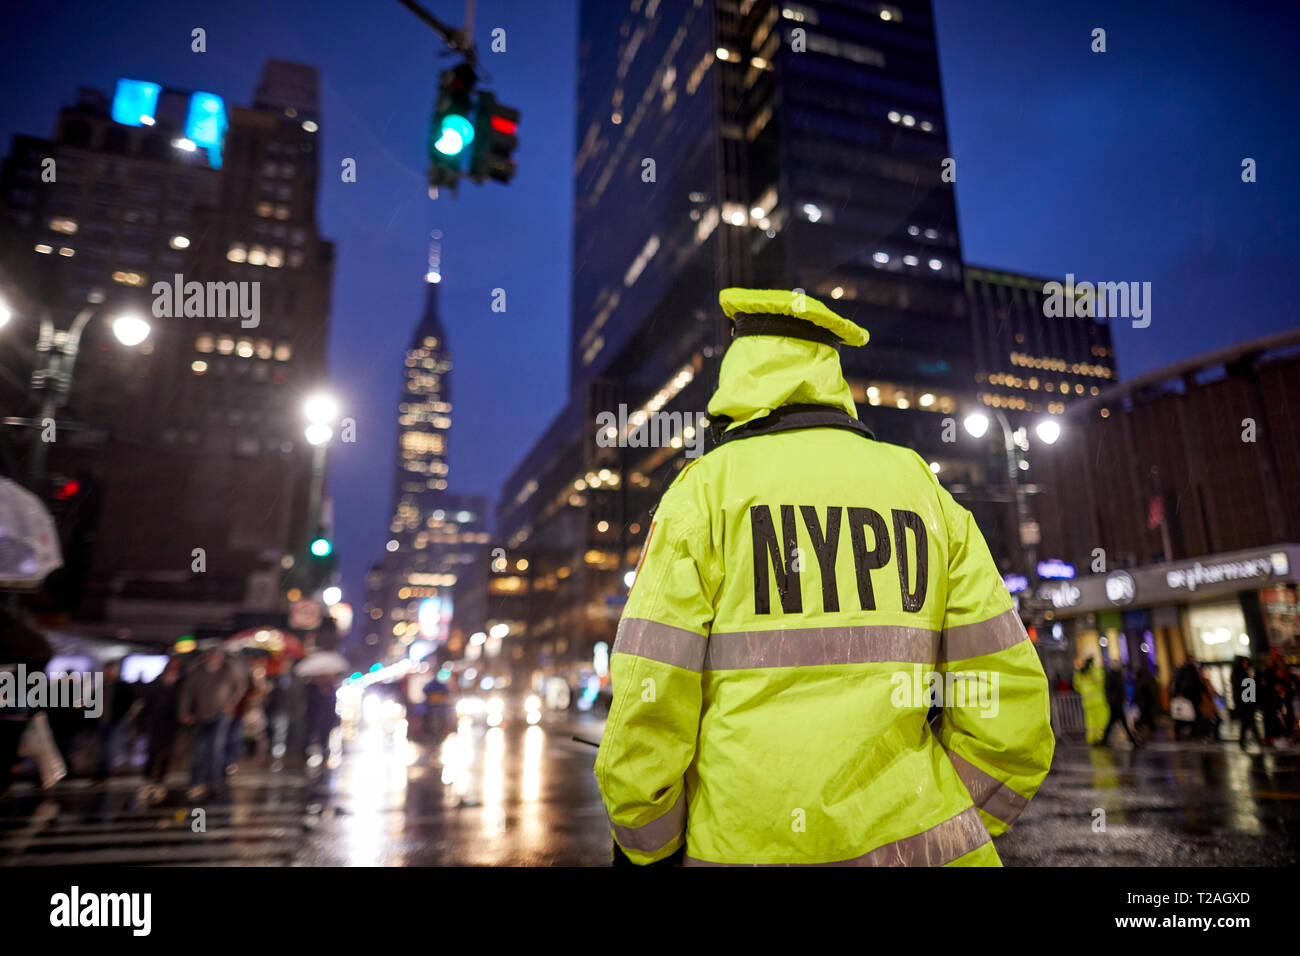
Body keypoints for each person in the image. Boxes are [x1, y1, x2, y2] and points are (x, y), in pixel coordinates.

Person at [594, 289, 1054, 867]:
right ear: (829, 373)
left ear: (737, 380)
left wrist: (650, 842)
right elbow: (1008, 705)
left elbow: (649, 694)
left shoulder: (706, 492)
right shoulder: (920, 488)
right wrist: (948, 816)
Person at [178, 646, 239, 799]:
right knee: (199, 750)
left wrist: (230, 703)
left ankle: (214, 783)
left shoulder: (227, 670)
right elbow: (187, 692)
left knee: (216, 750)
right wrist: (184, 711)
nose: (214, 658)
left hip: (220, 714)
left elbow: (240, 685)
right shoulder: (197, 671)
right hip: (200, 714)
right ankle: (196, 782)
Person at [138, 657, 184, 802]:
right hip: (155, 721)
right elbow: (147, 702)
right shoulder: (157, 683)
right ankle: (147, 781)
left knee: (166, 753)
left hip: (171, 723)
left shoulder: (181, 684)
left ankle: (159, 782)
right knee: (152, 752)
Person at [93, 660, 137, 780]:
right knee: (102, 746)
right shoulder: (101, 685)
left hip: (116, 720)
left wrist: (123, 714)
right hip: (102, 720)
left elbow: (130, 700)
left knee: (111, 746)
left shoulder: (122, 686)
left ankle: (106, 770)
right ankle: (101, 770)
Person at [1101, 660, 1140, 748]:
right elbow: (1110, 690)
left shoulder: (1117, 675)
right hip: (1115, 704)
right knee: (1122, 723)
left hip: (1117, 703)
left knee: (1112, 723)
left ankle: (1103, 740)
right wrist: (1113, 701)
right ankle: (1132, 740)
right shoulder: (1112, 676)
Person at [1073, 656, 1109, 746]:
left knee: (1100, 722)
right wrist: (1078, 672)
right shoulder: (1081, 675)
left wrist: (1090, 670)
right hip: (1090, 704)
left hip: (1098, 703)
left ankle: (1101, 739)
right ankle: (1093, 739)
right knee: (1091, 724)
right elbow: (1077, 686)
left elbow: (1100, 681)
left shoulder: (1096, 671)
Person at [1171, 655, 1204, 741]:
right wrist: (1179, 693)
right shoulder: (1183, 670)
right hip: (1186, 696)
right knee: (1186, 715)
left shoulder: (1193, 669)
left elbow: (1197, 683)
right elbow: (1178, 682)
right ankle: (1185, 732)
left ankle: (1195, 733)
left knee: (1194, 716)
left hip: (1193, 696)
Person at [1133, 662, 1158, 735]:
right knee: (1147, 715)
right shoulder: (1140, 681)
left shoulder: (1140, 681)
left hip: (1144, 702)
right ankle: (1151, 726)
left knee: (1145, 715)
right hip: (1144, 702)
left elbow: (1141, 692)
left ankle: (1140, 725)